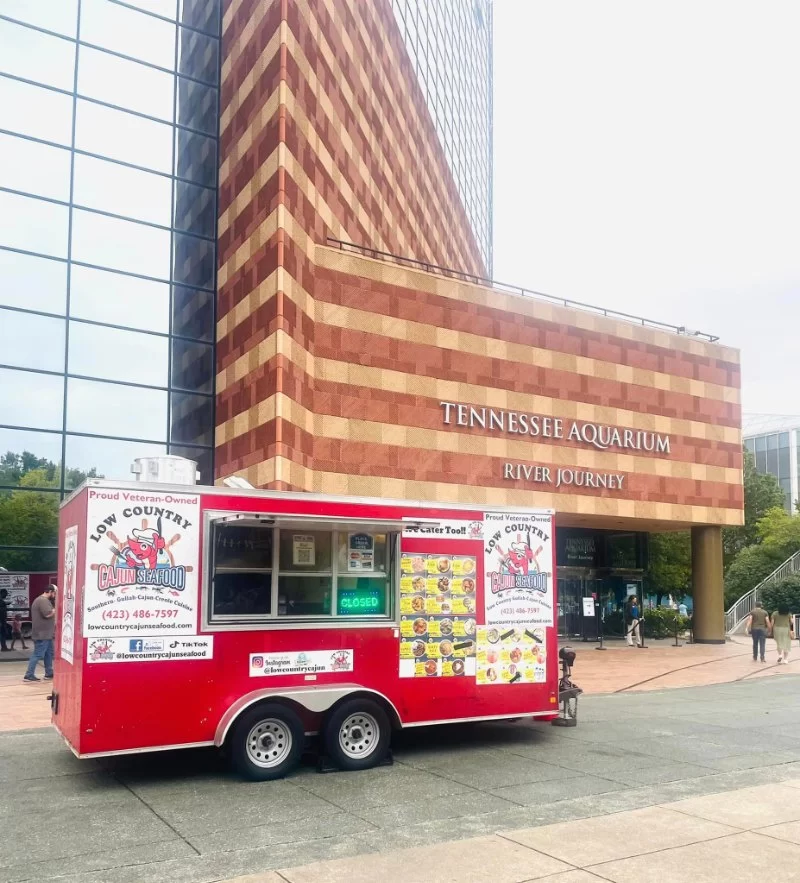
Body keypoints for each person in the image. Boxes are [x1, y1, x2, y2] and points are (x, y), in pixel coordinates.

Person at [23, 585, 56, 682]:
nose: (55, 595)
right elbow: (48, 614)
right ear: (50, 591)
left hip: (46, 634)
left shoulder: (41, 600)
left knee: (49, 653)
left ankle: (49, 673)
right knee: (38, 654)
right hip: (42, 634)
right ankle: (29, 675)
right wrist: (56, 609)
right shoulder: (43, 601)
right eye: (54, 593)